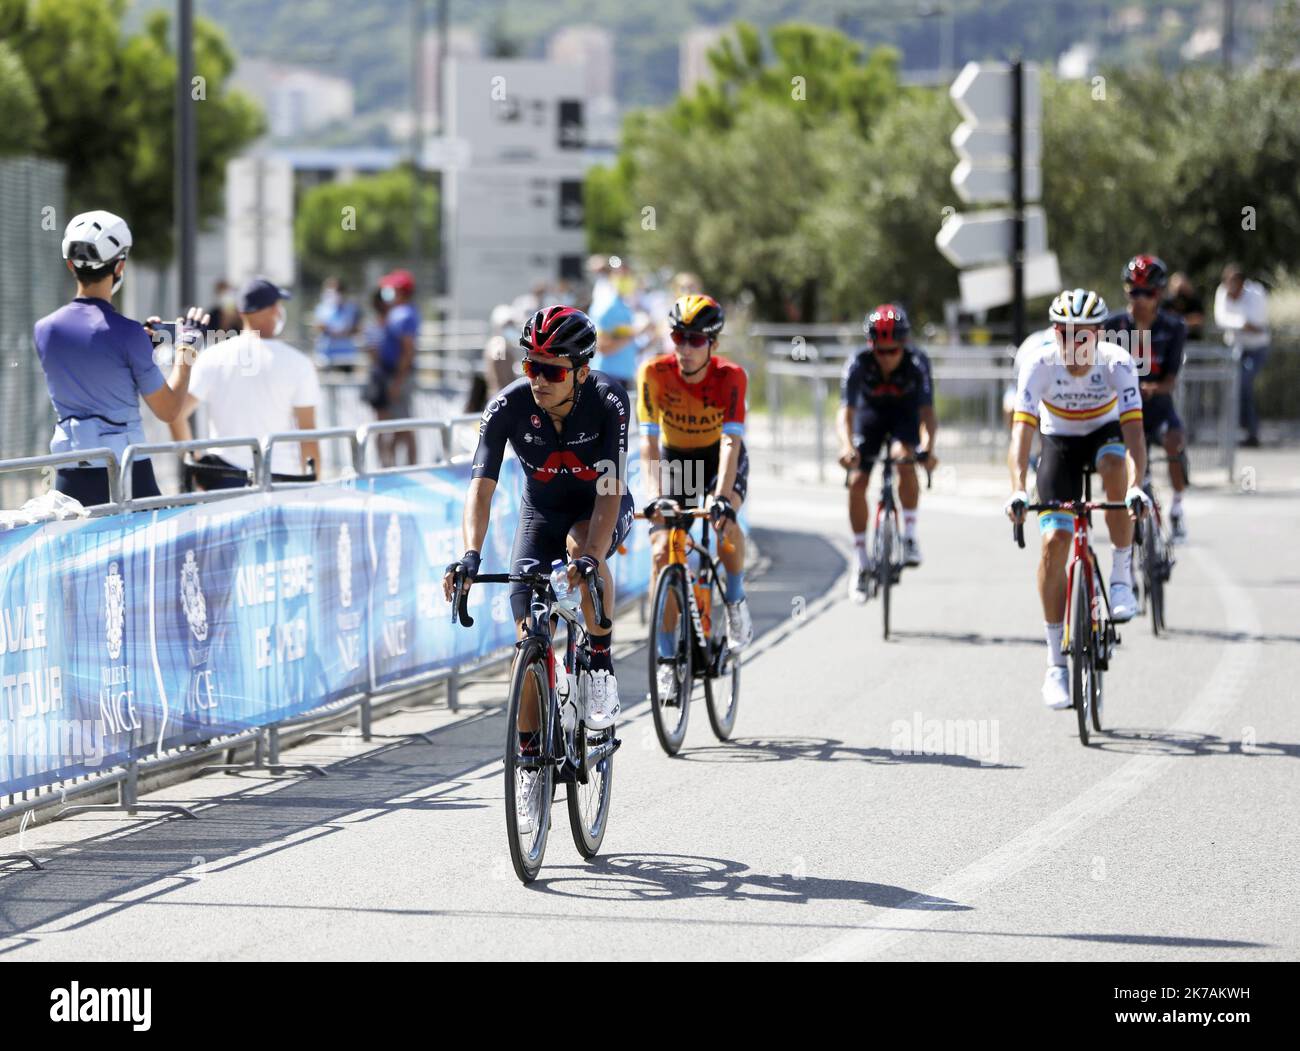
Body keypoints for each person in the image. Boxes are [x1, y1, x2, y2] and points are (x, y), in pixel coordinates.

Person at [442, 306, 634, 834]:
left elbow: (611, 489)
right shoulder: (508, 405)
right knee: (528, 632)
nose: (538, 379)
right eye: (531, 366)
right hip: (540, 515)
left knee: (581, 551)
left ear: (580, 371)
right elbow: (480, 487)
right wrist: (470, 555)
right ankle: (530, 765)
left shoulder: (609, 401)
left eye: (552, 370)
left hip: (599, 508)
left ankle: (597, 663)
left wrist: (590, 558)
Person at [1005, 289, 1150, 711]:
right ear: (1055, 333)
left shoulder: (1118, 363)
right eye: (1066, 334)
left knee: (1114, 470)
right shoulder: (1039, 364)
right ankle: (1055, 664)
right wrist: (1017, 488)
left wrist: (1138, 484)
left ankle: (1121, 579)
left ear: (1098, 334)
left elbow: (1135, 435)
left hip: (1105, 434)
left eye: (1083, 334)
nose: (1074, 344)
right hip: (1059, 442)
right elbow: (1021, 436)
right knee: (1054, 542)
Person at [34, 209, 207, 505]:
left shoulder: (45, 330)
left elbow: (94, 361)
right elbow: (168, 410)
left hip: (69, 471)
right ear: (120, 266)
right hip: (128, 472)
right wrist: (186, 350)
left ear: (70, 266)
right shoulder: (128, 335)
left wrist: (138, 345)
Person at [638, 293, 753, 695]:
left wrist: (721, 497)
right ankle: (667, 660)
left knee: (724, 526)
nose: (685, 348)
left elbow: (730, 444)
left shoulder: (731, 377)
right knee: (660, 553)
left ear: (713, 344)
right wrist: (655, 496)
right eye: (679, 337)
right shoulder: (653, 372)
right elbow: (649, 445)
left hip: (718, 458)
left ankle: (735, 603)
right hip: (675, 462)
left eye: (696, 340)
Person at [837, 303, 938, 602]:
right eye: (880, 351)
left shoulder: (918, 362)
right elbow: (845, 412)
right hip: (870, 418)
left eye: (892, 351)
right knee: (857, 482)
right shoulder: (858, 362)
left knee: (903, 459)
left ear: (904, 345)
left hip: (904, 417)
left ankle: (909, 535)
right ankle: (861, 560)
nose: (886, 357)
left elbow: (928, 414)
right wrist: (846, 446)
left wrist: (929, 448)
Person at [178, 278, 321, 488]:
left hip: (223, 477)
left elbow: (176, 413)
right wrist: (314, 485)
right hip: (282, 478)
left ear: (241, 312)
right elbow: (308, 435)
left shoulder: (213, 356)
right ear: (274, 309)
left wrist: (196, 463)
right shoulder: (298, 363)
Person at [1105, 255, 1189, 541]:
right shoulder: (1111, 326)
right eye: (1134, 291)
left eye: (1147, 293)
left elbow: (1169, 379)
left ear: (1160, 294)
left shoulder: (1174, 327)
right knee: (1110, 459)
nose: (1140, 299)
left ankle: (1177, 508)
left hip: (1157, 406)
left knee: (1175, 443)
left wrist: (1151, 389)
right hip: (1124, 410)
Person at [1213, 264, 1270, 448]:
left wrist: (1238, 320)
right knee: (1232, 387)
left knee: (1243, 384)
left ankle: (1251, 430)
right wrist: (1243, 323)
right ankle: (1235, 430)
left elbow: (1257, 323)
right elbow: (1222, 320)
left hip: (1256, 348)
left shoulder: (1256, 293)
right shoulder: (1222, 292)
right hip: (1235, 348)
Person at [375, 269, 420, 466]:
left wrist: (397, 381)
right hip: (392, 375)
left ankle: (411, 467)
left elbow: (408, 351)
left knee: (404, 425)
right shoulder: (396, 313)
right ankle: (393, 465)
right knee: (395, 425)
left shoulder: (405, 314)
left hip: (398, 376)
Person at [311, 276, 361, 370]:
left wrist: (345, 332)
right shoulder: (322, 309)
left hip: (346, 356)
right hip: (326, 355)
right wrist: (330, 330)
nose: (334, 293)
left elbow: (357, 328)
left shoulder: (351, 308)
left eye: (338, 290)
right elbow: (317, 327)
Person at [1164, 272, 1205, 341]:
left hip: (1191, 341)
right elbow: (1165, 322)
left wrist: (1176, 321)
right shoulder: (1166, 303)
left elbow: (1198, 320)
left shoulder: (1194, 302)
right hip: (1170, 341)